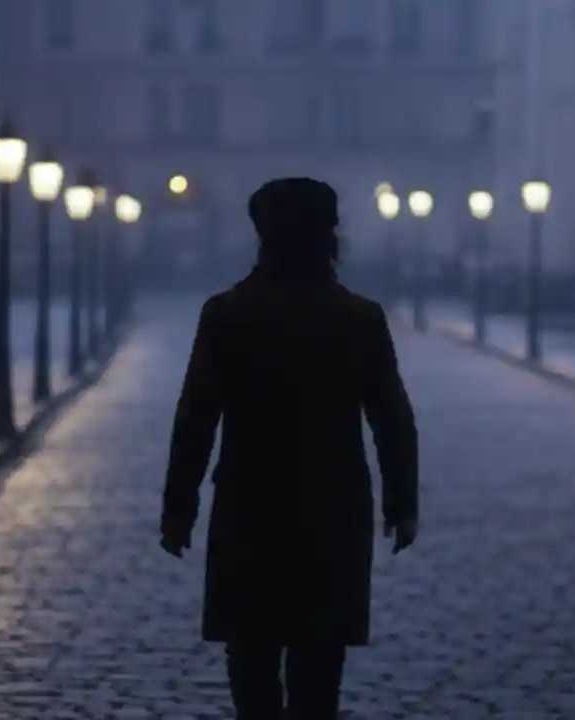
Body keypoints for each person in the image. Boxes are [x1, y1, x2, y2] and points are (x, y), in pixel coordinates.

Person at [160, 178, 419, 719]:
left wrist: (179, 508)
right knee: (319, 663)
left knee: (250, 655)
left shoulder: (227, 314)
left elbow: (196, 419)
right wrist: (401, 502)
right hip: (333, 504)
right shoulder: (358, 318)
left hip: (250, 503)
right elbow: (391, 418)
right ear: (330, 239)